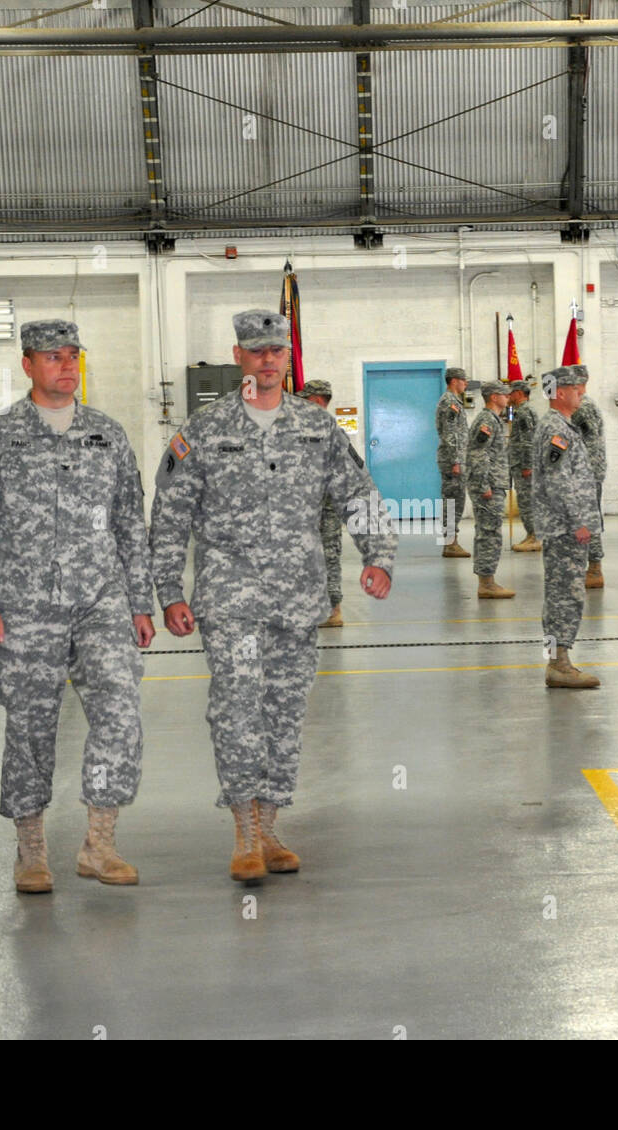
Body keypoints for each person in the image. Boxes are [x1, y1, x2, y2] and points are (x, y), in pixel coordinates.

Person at [150, 309, 397, 883]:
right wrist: (168, 591)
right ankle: (243, 833)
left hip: (298, 597)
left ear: (288, 359)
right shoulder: (205, 430)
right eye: (256, 350)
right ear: (238, 356)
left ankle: (271, 825)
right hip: (229, 596)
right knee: (237, 710)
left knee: (285, 713)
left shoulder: (316, 427)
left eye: (276, 352)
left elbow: (357, 492)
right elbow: (170, 514)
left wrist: (378, 556)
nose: (267, 360)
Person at [0, 320, 155, 894]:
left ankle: (99, 843)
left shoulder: (107, 435)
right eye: (51, 357)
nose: (65, 366)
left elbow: (128, 525)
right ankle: (31, 850)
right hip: (23, 607)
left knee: (119, 714)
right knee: (31, 727)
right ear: (28, 365)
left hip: (100, 600)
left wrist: (141, 602)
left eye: (72, 356)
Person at [533, 365, 602, 688]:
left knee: (559, 593)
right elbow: (558, 480)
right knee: (565, 595)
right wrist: (578, 521)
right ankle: (558, 664)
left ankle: (556, 661)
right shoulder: (555, 429)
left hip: (564, 525)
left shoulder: (560, 426)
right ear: (560, 393)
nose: (582, 394)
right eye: (577, 389)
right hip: (565, 527)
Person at [295, 379, 347, 628]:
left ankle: (333, 609)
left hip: (323, 507)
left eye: (305, 399)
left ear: (316, 401)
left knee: (327, 555)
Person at [466, 380, 515, 598]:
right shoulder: (487, 421)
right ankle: (486, 583)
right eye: (504, 394)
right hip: (488, 486)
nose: (508, 397)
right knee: (489, 533)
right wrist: (483, 484)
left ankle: (487, 581)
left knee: (488, 532)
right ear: (494, 397)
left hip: (493, 484)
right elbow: (478, 453)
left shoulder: (493, 420)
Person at [570, 384, 607, 588]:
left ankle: (594, 568)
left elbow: (586, 442)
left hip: (586, 474)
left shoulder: (583, 407)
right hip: (584, 472)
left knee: (588, 518)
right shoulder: (581, 406)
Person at [435, 367, 471, 558]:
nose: (466, 383)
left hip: (455, 458)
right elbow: (450, 434)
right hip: (452, 460)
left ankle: (451, 541)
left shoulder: (454, 402)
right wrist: (456, 461)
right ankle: (450, 542)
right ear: (454, 381)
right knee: (452, 501)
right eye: (464, 380)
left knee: (456, 500)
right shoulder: (450, 403)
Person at [507, 380, 541, 552]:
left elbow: (529, 441)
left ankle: (536, 536)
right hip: (520, 464)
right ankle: (531, 534)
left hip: (524, 466)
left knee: (527, 501)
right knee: (525, 500)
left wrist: (528, 465)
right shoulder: (520, 411)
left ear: (519, 393)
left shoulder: (525, 412)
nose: (509, 396)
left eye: (511, 392)